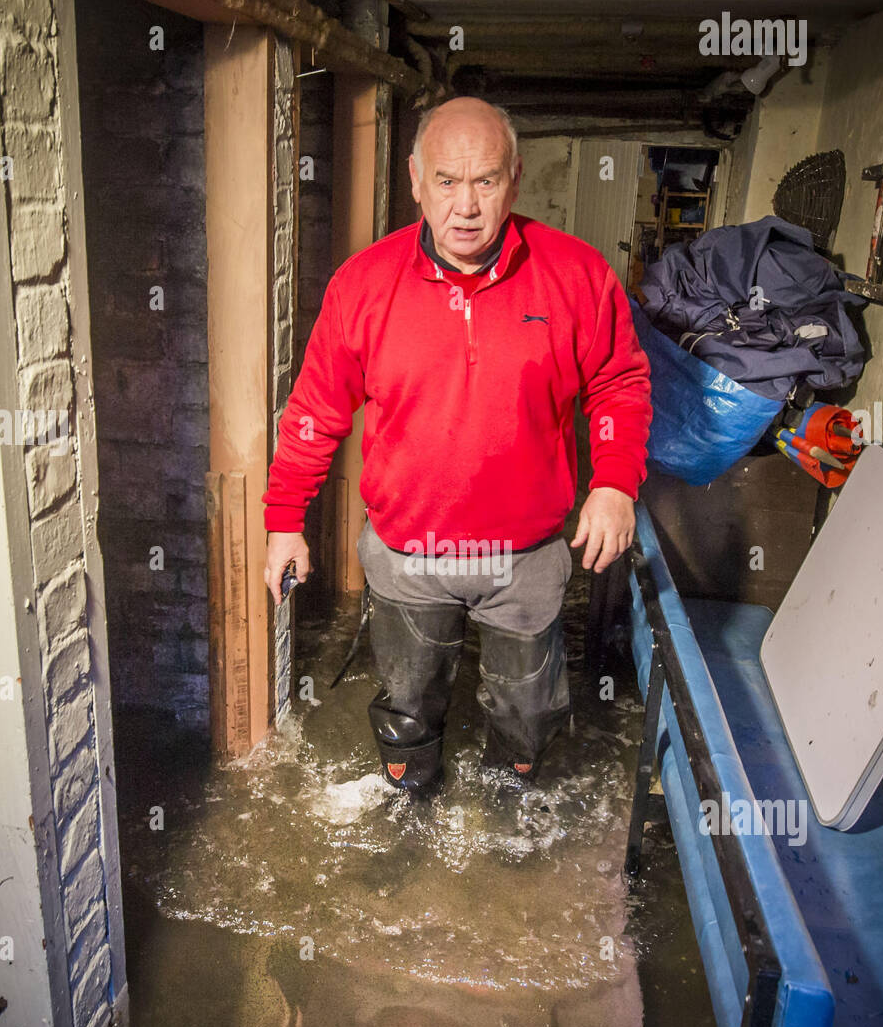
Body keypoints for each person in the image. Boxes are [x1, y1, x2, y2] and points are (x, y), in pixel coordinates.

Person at [264, 96, 652, 795]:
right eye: (446, 181)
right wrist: (284, 519)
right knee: (408, 704)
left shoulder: (576, 275)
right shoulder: (363, 285)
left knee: (528, 714)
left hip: (527, 554)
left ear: (515, 179)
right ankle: (410, 797)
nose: (465, 206)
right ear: (415, 180)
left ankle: (513, 804)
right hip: (409, 552)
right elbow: (315, 410)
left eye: (485, 181)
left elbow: (619, 383)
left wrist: (615, 482)